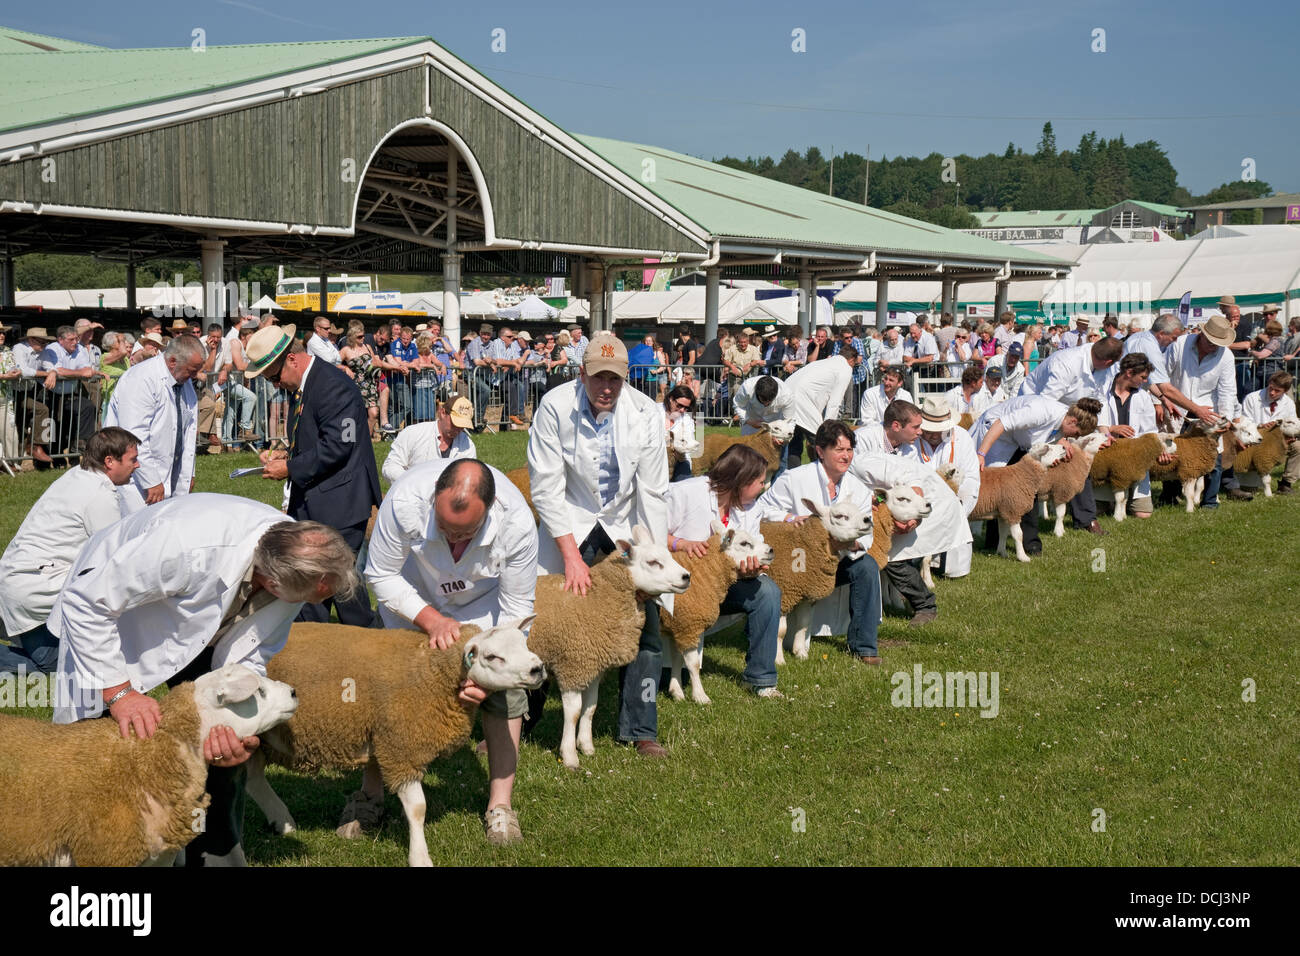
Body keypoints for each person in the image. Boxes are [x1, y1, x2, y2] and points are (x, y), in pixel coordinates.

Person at [50, 495, 359, 867]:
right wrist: (120, 692)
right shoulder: (187, 543)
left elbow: (252, 654)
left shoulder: (299, 566)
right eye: (313, 597)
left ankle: (213, 857)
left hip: (207, 630)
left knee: (225, 755)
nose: (313, 603)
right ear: (273, 580)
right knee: (97, 756)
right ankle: (99, 858)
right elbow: (86, 600)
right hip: (119, 618)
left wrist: (236, 724)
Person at [365, 458, 538, 845]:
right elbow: (380, 573)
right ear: (433, 501)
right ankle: (369, 796)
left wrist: (488, 680)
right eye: (443, 528)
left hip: (486, 611)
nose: (454, 541)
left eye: (468, 533)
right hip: (414, 601)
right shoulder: (403, 501)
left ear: (490, 512)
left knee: (505, 698)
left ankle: (501, 807)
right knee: (389, 694)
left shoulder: (519, 524)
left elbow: (517, 611)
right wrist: (429, 619)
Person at [527, 331, 671, 758]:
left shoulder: (645, 412)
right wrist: (570, 556)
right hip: (569, 521)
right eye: (598, 378)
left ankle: (640, 727)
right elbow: (546, 486)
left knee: (645, 631)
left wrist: (653, 559)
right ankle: (522, 722)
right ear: (581, 374)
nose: (607, 387)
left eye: (615, 379)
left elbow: (653, 491)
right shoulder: (554, 407)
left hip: (624, 528)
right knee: (540, 623)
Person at [247, 325, 383, 626]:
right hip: (317, 496)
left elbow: (339, 444)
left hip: (342, 501)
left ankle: (367, 641)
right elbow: (315, 439)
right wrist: (287, 456)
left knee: (343, 585)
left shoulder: (333, 385)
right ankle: (316, 642)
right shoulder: (304, 384)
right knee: (311, 580)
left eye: (274, 376)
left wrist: (290, 468)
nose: (275, 384)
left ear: (292, 359)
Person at [0, 427, 138, 675]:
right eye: (132, 459)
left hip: (24, 578)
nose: (137, 466)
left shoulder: (79, 474)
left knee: (67, 659)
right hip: (33, 589)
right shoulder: (99, 495)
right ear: (109, 461)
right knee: (56, 664)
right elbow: (112, 561)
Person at [757, 420, 886, 662]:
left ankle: (864, 645)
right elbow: (763, 509)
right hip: (799, 559)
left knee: (867, 567)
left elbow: (865, 534)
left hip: (836, 559)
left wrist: (851, 544)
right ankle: (772, 631)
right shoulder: (794, 479)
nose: (845, 456)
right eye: (838, 449)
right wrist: (792, 518)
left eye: (849, 450)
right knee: (788, 581)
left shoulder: (857, 489)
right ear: (820, 451)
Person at [666, 445, 782, 696]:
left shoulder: (751, 507)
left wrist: (753, 569)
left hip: (723, 584)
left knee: (768, 592)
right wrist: (680, 543)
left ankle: (761, 679)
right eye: (760, 482)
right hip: (679, 587)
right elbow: (649, 532)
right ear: (742, 480)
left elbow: (754, 546)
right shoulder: (686, 493)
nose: (763, 487)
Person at [970, 395, 1104, 554]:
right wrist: (981, 454)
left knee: (1025, 489)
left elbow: (1042, 439)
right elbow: (1001, 424)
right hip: (994, 432)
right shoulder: (1040, 411)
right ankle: (993, 544)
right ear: (1073, 421)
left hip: (1018, 442)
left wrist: (1059, 445)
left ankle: (1031, 544)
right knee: (996, 489)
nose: (1073, 438)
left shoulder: (1062, 423)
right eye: (1076, 434)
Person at [104, 334, 202, 512]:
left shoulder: (183, 381)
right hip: (136, 479)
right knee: (137, 532)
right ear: (173, 361)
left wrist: (188, 474)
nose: (196, 376)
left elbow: (187, 431)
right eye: (192, 370)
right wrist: (151, 480)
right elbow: (132, 436)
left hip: (171, 472)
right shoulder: (141, 378)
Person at [1161, 314, 1248, 507]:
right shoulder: (1179, 345)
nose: (1213, 346)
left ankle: (1210, 501)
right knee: (1173, 450)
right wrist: (1160, 401)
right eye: (1210, 342)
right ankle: (1169, 496)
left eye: (1217, 343)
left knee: (1213, 456)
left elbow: (1227, 391)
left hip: (1210, 411)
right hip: (1177, 405)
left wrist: (1223, 421)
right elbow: (1162, 375)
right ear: (1201, 334)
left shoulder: (1226, 356)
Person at [898, 396, 980, 578]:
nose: (933, 435)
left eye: (939, 430)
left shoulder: (962, 439)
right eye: (928, 429)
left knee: (953, 568)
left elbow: (972, 478)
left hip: (953, 504)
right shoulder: (910, 442)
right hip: (918, 503)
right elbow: (903, 473)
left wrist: (958, 509)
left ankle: (946, 565)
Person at [1097, 353, 1163, 518]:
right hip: (1107, 456)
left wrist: (1159, 449)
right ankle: (1109, 499)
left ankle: (1126, 499)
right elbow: (1093, 423)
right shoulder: (1102, 391)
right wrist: (1112, 429)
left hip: (1134, 459)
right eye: (1143, 377)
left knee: (1143, 514)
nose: (1145, 381)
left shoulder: (1143, 396)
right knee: (1098, 512)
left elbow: (1150, 430)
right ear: (1129, 373)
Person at [783, 347, 859, 467]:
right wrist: (829, 427)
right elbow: (835, 401)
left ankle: (794, 476)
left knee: (794, 443)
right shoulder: (845, 368)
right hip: (802, 400)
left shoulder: (824, 362)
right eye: (855, 364)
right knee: (823, 443)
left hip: (786, 393)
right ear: (851, 360)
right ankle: (825, 477)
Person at [381, 394, 477, 483]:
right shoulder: (413, 433)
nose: (459, 429)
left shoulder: (467, 445)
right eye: (455, 423)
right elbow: (390, 467)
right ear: (442, 413)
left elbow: (469, 475)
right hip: (412, 495)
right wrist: (412, 481)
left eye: (463, 426)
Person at [39, 325, 98, 454]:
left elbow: (87, 370)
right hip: (50, 393)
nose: (75, 342)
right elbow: (58, 370)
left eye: (76, 339)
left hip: (70, 393)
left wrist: (74, 373)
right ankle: (52, 457)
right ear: (60, 340)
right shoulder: (52, 349)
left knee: (87, 407)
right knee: (52, 424)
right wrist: (79, 373)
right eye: (71, 340)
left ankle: (79, 447)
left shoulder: (80, 349)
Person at [1241, 370, 1299, 494]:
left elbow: (1293, 425)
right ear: (1268, 383)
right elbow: (1244, 423)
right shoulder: (1251, 398)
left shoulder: (1288, 403)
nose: (1272, 392)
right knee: (1250, 489)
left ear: (1285, 391)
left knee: (1298, 447)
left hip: (1278, 442)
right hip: (1255, 442)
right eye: (1271, 388)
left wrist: (1290, 437)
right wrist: (1260, 426)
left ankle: (1286, 484)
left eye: (1277, 391)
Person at [1019, 336, 1122, 404]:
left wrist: (1105, 433)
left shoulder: (1098, 357)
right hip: (1033, 406)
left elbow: (1100, 399)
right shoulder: (1066, 364)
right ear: (1108, 362)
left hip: (1064, 411)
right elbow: (1046, 404)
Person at [10, 327, 53, 464]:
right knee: (22, 423)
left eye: (46, 342)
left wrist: (52, 372)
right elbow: (22, 370)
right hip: (14, 393)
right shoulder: (19, 348)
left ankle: (21, 459)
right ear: (31, 340)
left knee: (22, 425)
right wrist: (47, 374)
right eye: (42, 342)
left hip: (30, 391)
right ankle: (30, 450)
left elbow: (50, 366)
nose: (44, 345)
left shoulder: (42, 351)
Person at [340, 326, 385, 439]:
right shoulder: (345, 350)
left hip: (369, 384)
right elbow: (332, 363)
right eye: (359, 336)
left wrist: (375, 367)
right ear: (352, 337)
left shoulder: (367, 346)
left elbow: (376, 362)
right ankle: (351, 438)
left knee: (374, 413)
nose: (362, 338)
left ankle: (365, 439)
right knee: (354, 414)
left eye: (363, 335)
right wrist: (345, 368)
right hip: (354, 385)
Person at [664, 384, 699, 482]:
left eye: (686, 408)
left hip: (680, 460)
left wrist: (687, 467)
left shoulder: (687, 420)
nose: (682, 410)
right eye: (679, 405)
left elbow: (688, 446)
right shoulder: (655, 412)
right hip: (655, 459)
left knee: (684, 485)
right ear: (671, 399)